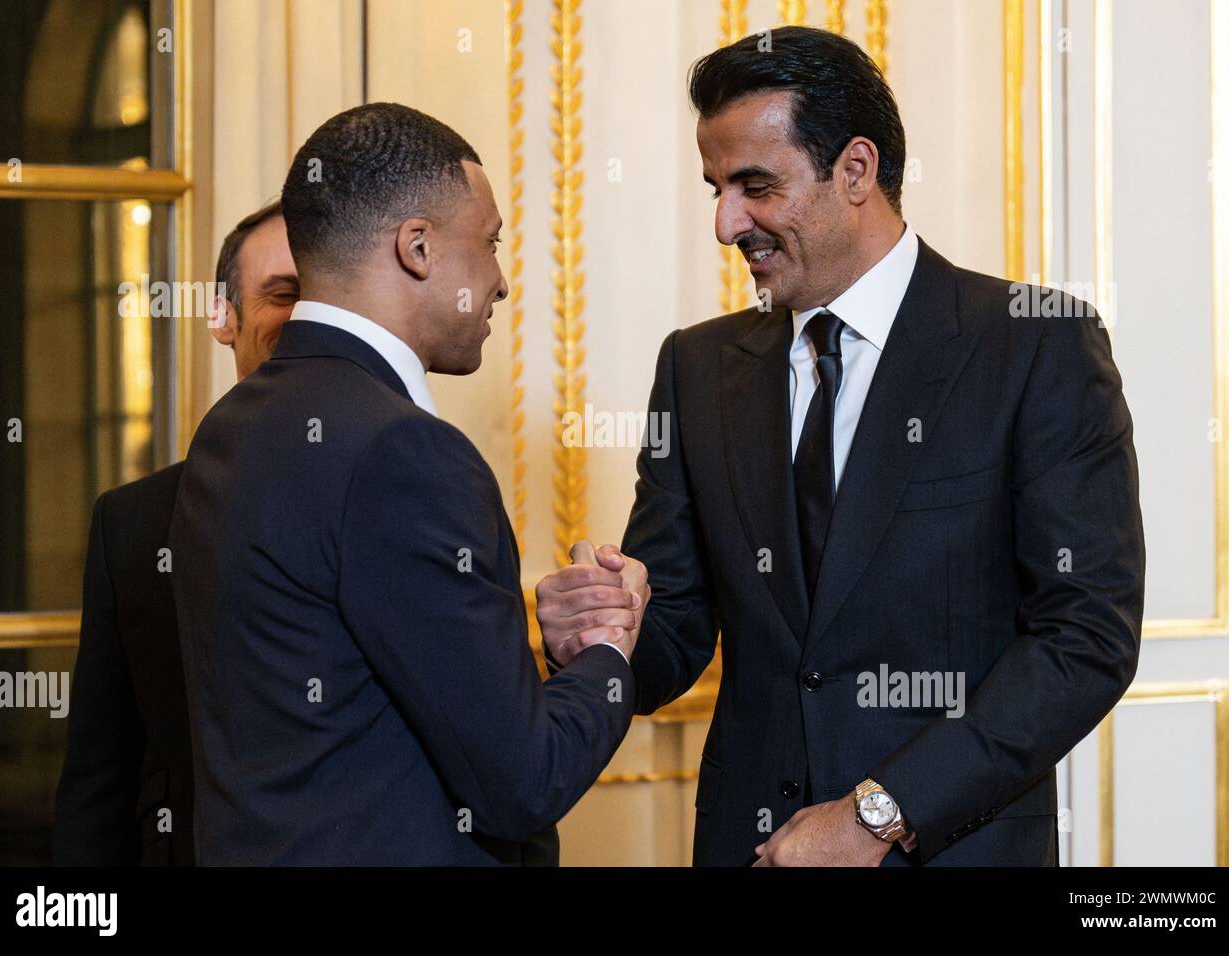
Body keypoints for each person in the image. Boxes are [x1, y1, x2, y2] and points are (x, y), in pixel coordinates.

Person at [537, 26, 1144, 867]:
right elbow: (675, 633)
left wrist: (877, 815)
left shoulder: (1036, 346)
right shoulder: (696, 366)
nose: (725, 223)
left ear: (855, 171)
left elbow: (1085, 641)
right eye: (716, 188)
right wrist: (604, 637)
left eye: (755, 187)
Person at [169, 103, 647, 865]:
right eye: (489, 244)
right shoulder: (405, 452)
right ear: (418, 247)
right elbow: (522, 781)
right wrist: (607, 654)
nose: (500, 282)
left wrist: (551, 662)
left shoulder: (230, 426)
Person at [54, 200, 299, 864]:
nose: (307, 319)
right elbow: (97, 785)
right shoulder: (131, 526)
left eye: (325, 297)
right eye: (283, 295)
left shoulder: (431, 496)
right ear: (224, 319)